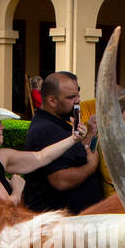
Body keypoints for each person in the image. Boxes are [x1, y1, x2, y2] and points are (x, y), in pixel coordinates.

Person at [0, 96, 89, 217]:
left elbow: (41, 157)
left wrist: (73, 139)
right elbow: (6, 208)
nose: (3, 128)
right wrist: (17, 189)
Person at [23, 71, 102, 214]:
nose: (78, 100)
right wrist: (90, 166)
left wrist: (89, 134)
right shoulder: (45, 129)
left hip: (76, 224)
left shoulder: (58, 123)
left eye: (78, 94)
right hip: (63, 228)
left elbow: (73, 157)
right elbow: (60, 180)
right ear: (52, 100)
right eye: (71, 97)